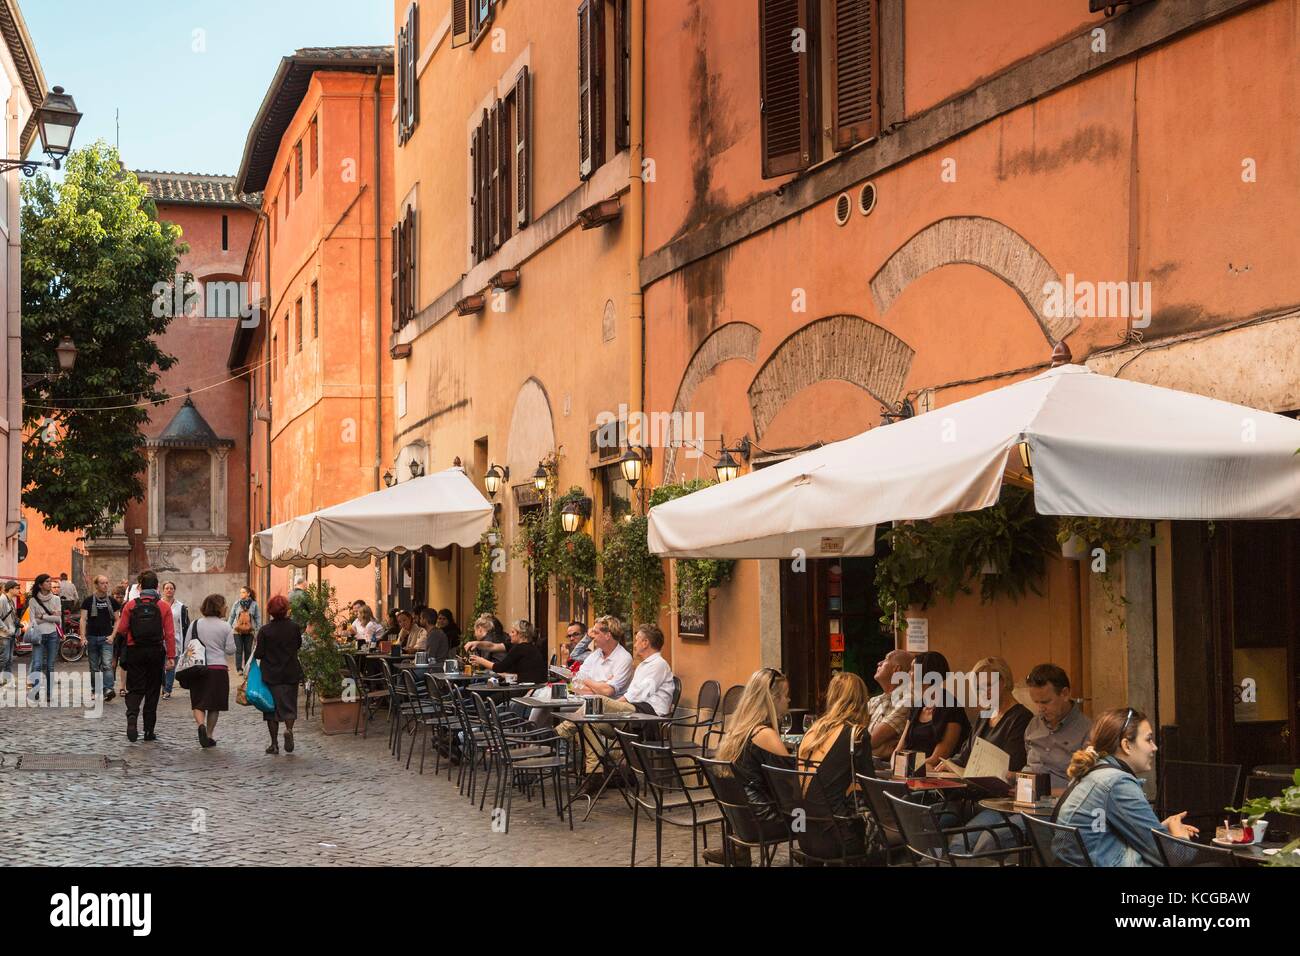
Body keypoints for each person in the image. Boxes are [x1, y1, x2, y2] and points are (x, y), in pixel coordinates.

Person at [1055, 707, 1197, 866]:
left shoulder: (1091, 771)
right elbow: (1175, 858)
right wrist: (1181, 836)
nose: (1154, 747)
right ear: (1126, 745)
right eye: (1148, 739)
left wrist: (1160, 830)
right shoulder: (1117, 783)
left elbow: (1103, 830)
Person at [706, 666, 794, 865]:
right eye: (786, 696)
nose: (789, 701)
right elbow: (791, 783)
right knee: (813, 813)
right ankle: (813, 852)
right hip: (767, 822)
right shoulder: (766, 734)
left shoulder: (739, 730)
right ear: (772, 699)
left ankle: (739, 852)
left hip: (744, 820)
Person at [797, 672, 875, 857]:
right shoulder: (856, 735)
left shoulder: (813, 730)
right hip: (837, 838)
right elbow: (871, 789)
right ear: (861, 699)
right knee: (898, 840)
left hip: (803, 834)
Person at [555, 616, 635, 787]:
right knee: (586, 722)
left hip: (614, 714)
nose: (592, 636)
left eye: (596, 633)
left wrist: (591, 684)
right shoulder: (595, 655)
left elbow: (608, 692)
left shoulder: (624, 658)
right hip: (590, 709)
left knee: (592, 711)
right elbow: (575, 681)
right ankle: (594, 773)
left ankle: (559, 733)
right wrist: (599, 685)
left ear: (608, 635)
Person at [115, 570, 176, 742]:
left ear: (140, 586)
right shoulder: (163, 606)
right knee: (152, 691)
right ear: (157, 586)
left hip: (135, 651)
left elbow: (121, 629)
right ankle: (149, 731)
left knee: (135, 688)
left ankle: (132, 717)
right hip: (156, 651)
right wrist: (171, 656)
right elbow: (170, 634)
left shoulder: (131, 605)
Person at [1023, 663, 1091, 789]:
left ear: (1065, 694)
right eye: (1036, 702)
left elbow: (1087, 787)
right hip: (1026, 793)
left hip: (1060, 802)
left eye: (1045, 702)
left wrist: (1044, 792)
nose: (1040, 708)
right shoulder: (1034, 724)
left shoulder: (1087, 731)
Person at [897, 650, 970, 767]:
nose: (908, 674)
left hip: (932, 774)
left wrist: (906, 768)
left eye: (912, 669)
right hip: (908, 770)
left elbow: (937, 758)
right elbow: (899, 750)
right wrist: (896, 766)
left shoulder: (952, 708)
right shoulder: (918, 706)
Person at [254, 594, 304, 755]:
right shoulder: (294, 627)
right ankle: (289, 729)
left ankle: (274, 744)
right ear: (286, 610)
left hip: (270, 675)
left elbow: (259, 654)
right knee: (290, 706)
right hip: (290, 672)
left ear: (270, 611)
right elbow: (298, 646)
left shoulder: (265, 630)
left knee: (271, 710)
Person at [187, 594, 238, 748]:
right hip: (218, 669)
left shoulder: (195, 624)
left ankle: (200, 725)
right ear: (219, 607)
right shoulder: (225, 626)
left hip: (198, 668)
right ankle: (209, 735)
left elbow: (187, 646)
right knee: (214, 705)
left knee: (198, 702)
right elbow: (231, 650)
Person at [79, 576, 122, 703]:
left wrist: (113, 635)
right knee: (93, 666)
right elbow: (83, 619)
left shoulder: (112, 601)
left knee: (107, 664)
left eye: (107, 583)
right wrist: (83, 637)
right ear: (96, 585)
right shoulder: (88, 601)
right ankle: (95, 690)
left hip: (106, 638)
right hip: (92, 637)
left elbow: (118, 620)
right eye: (102, 583)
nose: (105, 585)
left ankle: (108, 689)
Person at [867, 649, 914, 758]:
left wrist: (866, 747)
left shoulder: (908, 700)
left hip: (883, 767)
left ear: (896, 669)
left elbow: (869, 741)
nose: (879, 663)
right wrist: (881, 749)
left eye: (886, 659)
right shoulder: (873, 701)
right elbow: (854, 735)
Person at [469, 619, 547, 683]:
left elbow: (499, 668)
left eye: (513, 632)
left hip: (525, 688)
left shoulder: (520, 648)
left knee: (485, 696)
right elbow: (492, 646)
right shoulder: (530, 647)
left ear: (520, 634)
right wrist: (477, 643)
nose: (509, 634)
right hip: (528, 685)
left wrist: (480, 660)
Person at [26, 574, 62, 702]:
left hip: (52, 635)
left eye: (50, 581)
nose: (49, 583)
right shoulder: (33, 601)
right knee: (37, 665)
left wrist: (42, 617)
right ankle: (35, 691)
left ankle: (48, 694)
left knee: (50, 666)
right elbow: (32, 622)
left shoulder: (56, 599)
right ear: (40, 585)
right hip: (38, 636)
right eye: (47, 581)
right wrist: (50, 616)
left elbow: (57, 619)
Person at [160, 581, 190, 700]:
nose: (169, 590)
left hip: (176, 638)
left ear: (174, 590)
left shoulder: (181, 606)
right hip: (160, 638)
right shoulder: (158, 604)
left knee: (171, 664)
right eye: (167, 588)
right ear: (163, 590)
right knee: (161, 665)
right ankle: (163, 685)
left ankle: (167, 689)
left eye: (171, 588)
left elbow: (185, 624)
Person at [228, 586, 261, 673]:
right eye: (240, 592)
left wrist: (258, 630)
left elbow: (258, 618)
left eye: (243, 592)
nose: (241, 594)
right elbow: (232, 616)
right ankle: (239, 669)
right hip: (237, 631)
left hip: (249, 631)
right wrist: (228, 627)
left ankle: (247, 668)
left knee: (248, 650)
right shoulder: (237, 603)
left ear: (248, 594)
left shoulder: (254, 604)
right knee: (238, 650)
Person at [0, 580, 20, 686]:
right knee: (4, 658)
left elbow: (13, 617)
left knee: (9, 659)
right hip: (3, 634)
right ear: (11, 589)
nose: (18, 590)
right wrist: (5, 629)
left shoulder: (11, 601)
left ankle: (7, 679)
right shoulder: (2, 600)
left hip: (11, 633)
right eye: (17, 588)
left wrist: (17, 629)